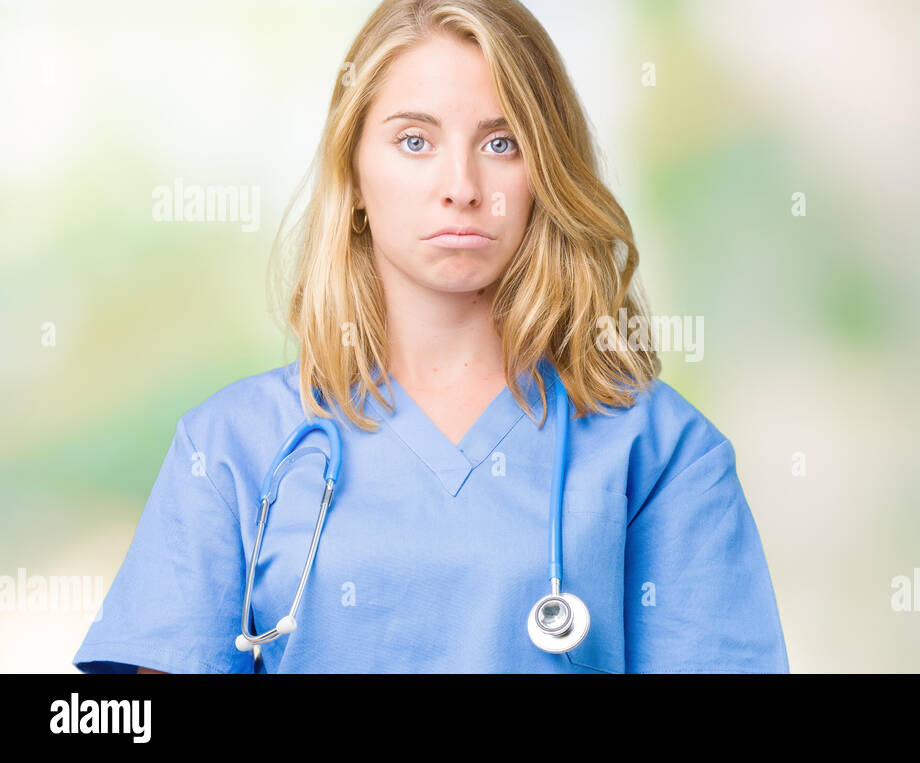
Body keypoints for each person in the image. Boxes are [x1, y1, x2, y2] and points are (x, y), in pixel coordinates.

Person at [72, 0, 788, 674]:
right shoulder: (231, 449)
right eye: (414, 140)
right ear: (353, 175)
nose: (462, 185)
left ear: (547, 171)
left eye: (501, 142)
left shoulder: (662, 454)